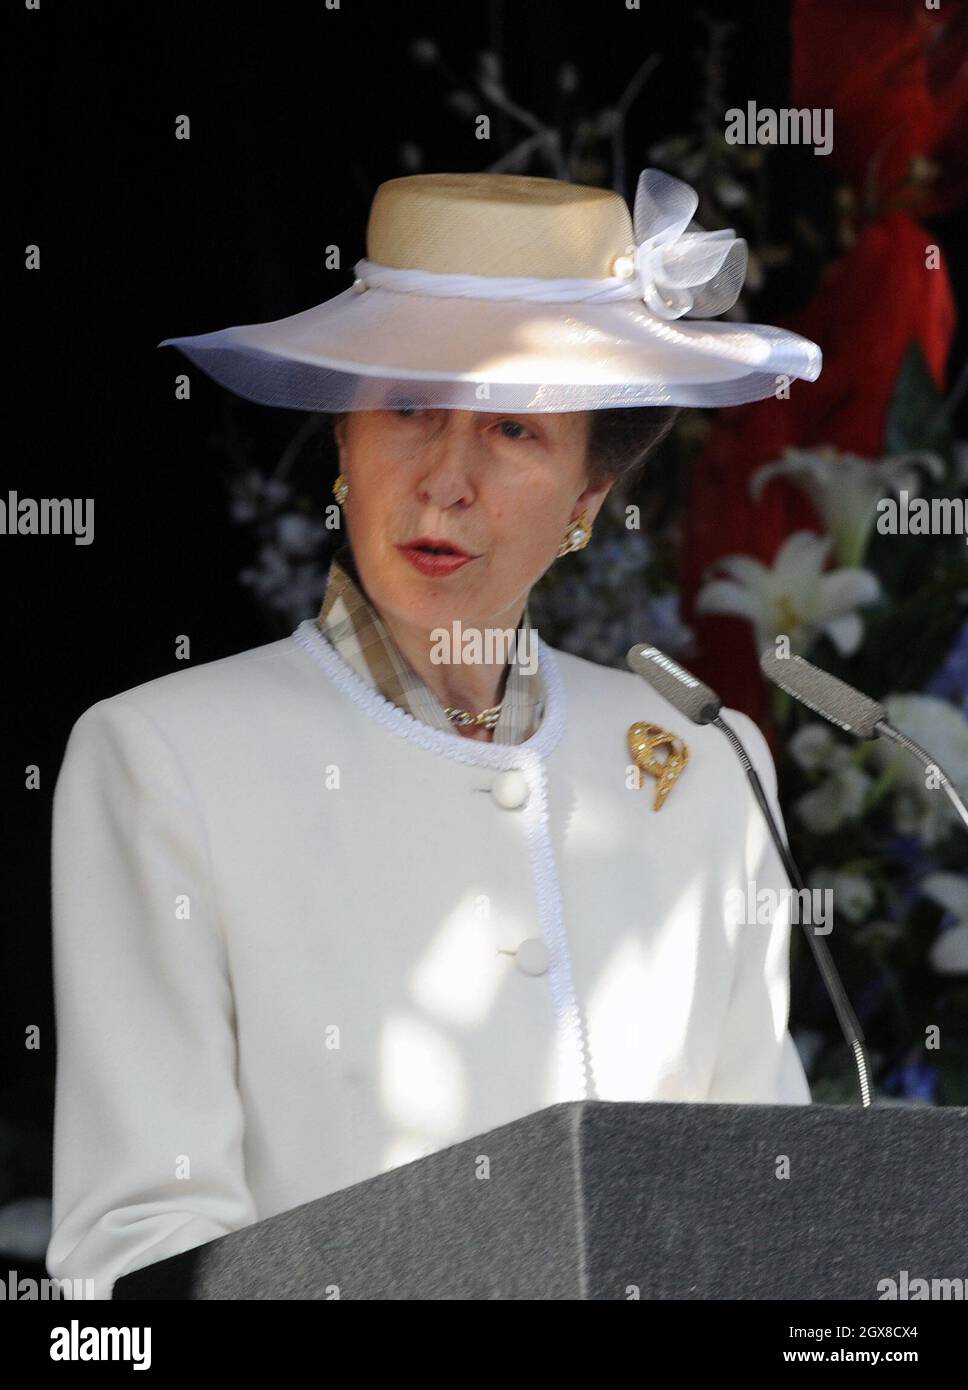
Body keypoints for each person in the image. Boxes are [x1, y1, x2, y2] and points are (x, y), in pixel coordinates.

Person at [46, 166, 822, 1299]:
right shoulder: (162, 758)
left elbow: (768, 1205)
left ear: (587, 497)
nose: (445, 482)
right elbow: (142, 1247)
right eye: (406, 409)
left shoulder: (705, 761)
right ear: (343, 446)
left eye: (513, 427)